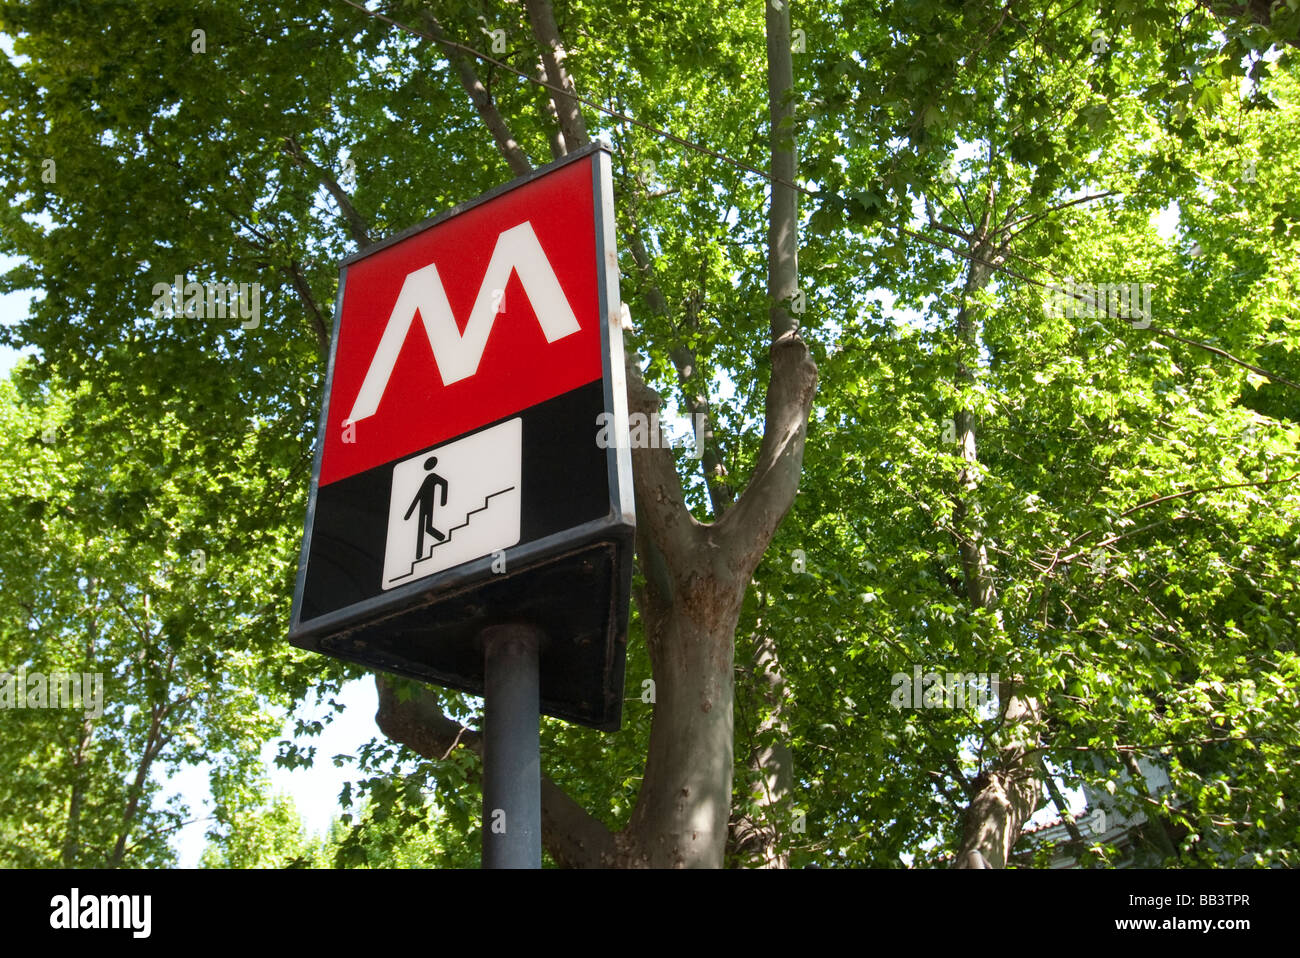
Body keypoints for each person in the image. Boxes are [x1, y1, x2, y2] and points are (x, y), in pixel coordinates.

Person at [404, 456, 449, 561]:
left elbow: (444, 484)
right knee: (421, 528)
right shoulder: (428, 478)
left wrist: (443, 501)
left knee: (427, 527)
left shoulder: (432, 477)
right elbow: (418, 496)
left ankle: (440, 538)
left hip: (429, 505)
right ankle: (419, 554)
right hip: (423, 506)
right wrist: (409, 513)